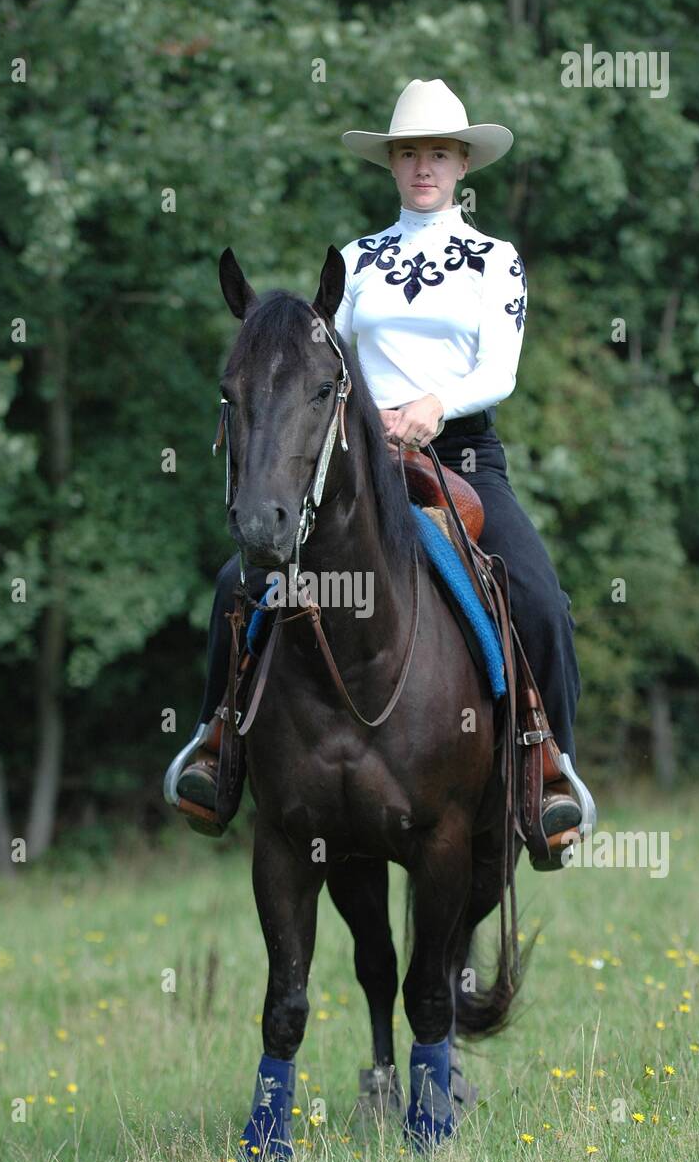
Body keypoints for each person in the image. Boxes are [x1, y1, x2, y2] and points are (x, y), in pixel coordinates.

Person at [164, 78, 596, 862]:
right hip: (361, 464)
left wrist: (435, 403)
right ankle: (217, 745)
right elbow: (328, 366)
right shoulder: (356, 262)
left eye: (437, 153)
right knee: (238, 581)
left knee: (538, 597)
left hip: (460, 457)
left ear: (463, 163)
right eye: (408, 154)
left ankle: (548, 767)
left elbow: (499, 371)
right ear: (392, 165)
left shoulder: (497, 262)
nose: (422, 166)